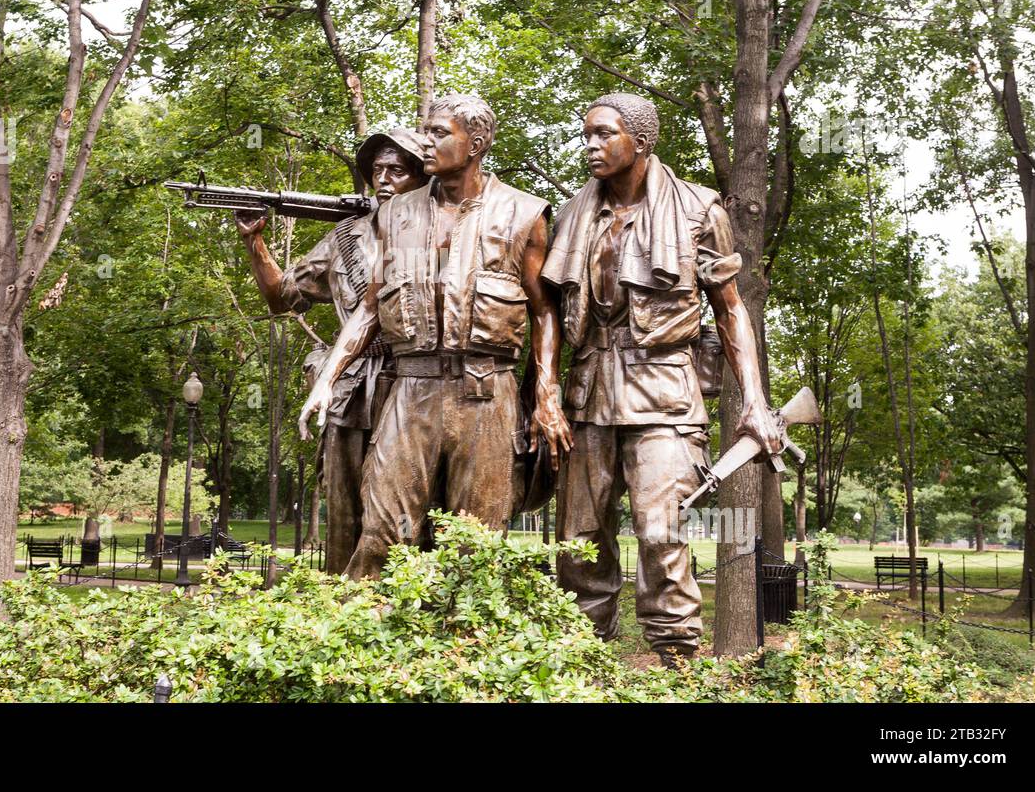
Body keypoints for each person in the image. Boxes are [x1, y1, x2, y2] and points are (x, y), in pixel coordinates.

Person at [540, 92, 780, 666]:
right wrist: (544, 391)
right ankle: (582, 669)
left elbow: (729, 310)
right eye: (586, 135)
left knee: (661, 536)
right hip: (588, 390)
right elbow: (547, 308)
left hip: (665, 395)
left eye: (604, 135)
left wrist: (755, 400)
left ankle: (675, 670)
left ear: (641, 142)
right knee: (578, 545)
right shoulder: (574, 213)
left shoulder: (700, 209)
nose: (590, 146)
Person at [299, 93, 573, 580]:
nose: (425, 141)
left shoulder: (524, 213)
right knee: (382, 531)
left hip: (487, 392)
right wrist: (328, 379)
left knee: (476, 542)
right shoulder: (395, 214)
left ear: (477, 144)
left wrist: (547, 392)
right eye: (425, 131)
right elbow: (367, 312)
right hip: (411, 390)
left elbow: (544, 312)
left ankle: (467, 647)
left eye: (438, 133)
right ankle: (367, 645)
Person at [236, 128, 427, 573]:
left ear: (420, 178)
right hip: (352, 386)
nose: (384, 179)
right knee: (343, 504)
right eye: (376, 170)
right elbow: (281, 296)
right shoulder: (345, 238)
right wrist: (254, 241)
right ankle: (343, 604)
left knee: (406, 502)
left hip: (414, 381)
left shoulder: (440, 233)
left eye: (397, 170)